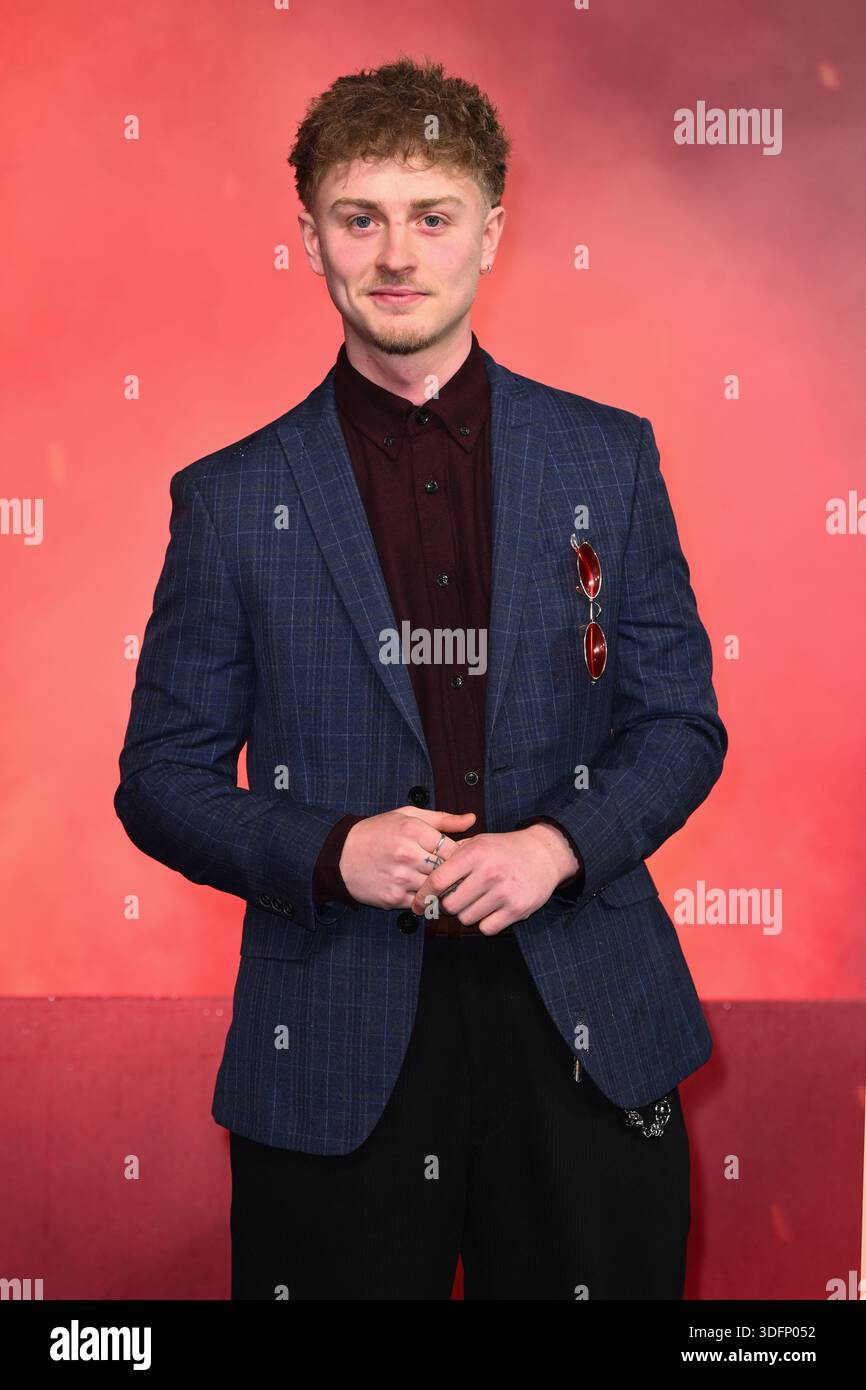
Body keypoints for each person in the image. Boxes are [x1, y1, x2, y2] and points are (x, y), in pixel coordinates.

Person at [114, 55, 727, 1300]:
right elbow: (159, 781)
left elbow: (678, 724)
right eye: (360, 217)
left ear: (488, 232)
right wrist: (328, 848)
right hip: (332, 1039)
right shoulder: (228, 500)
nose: (395, 253)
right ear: (312, 239)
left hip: (585, 1021)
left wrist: (558, 843)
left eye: (430, 215)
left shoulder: (608, 458)